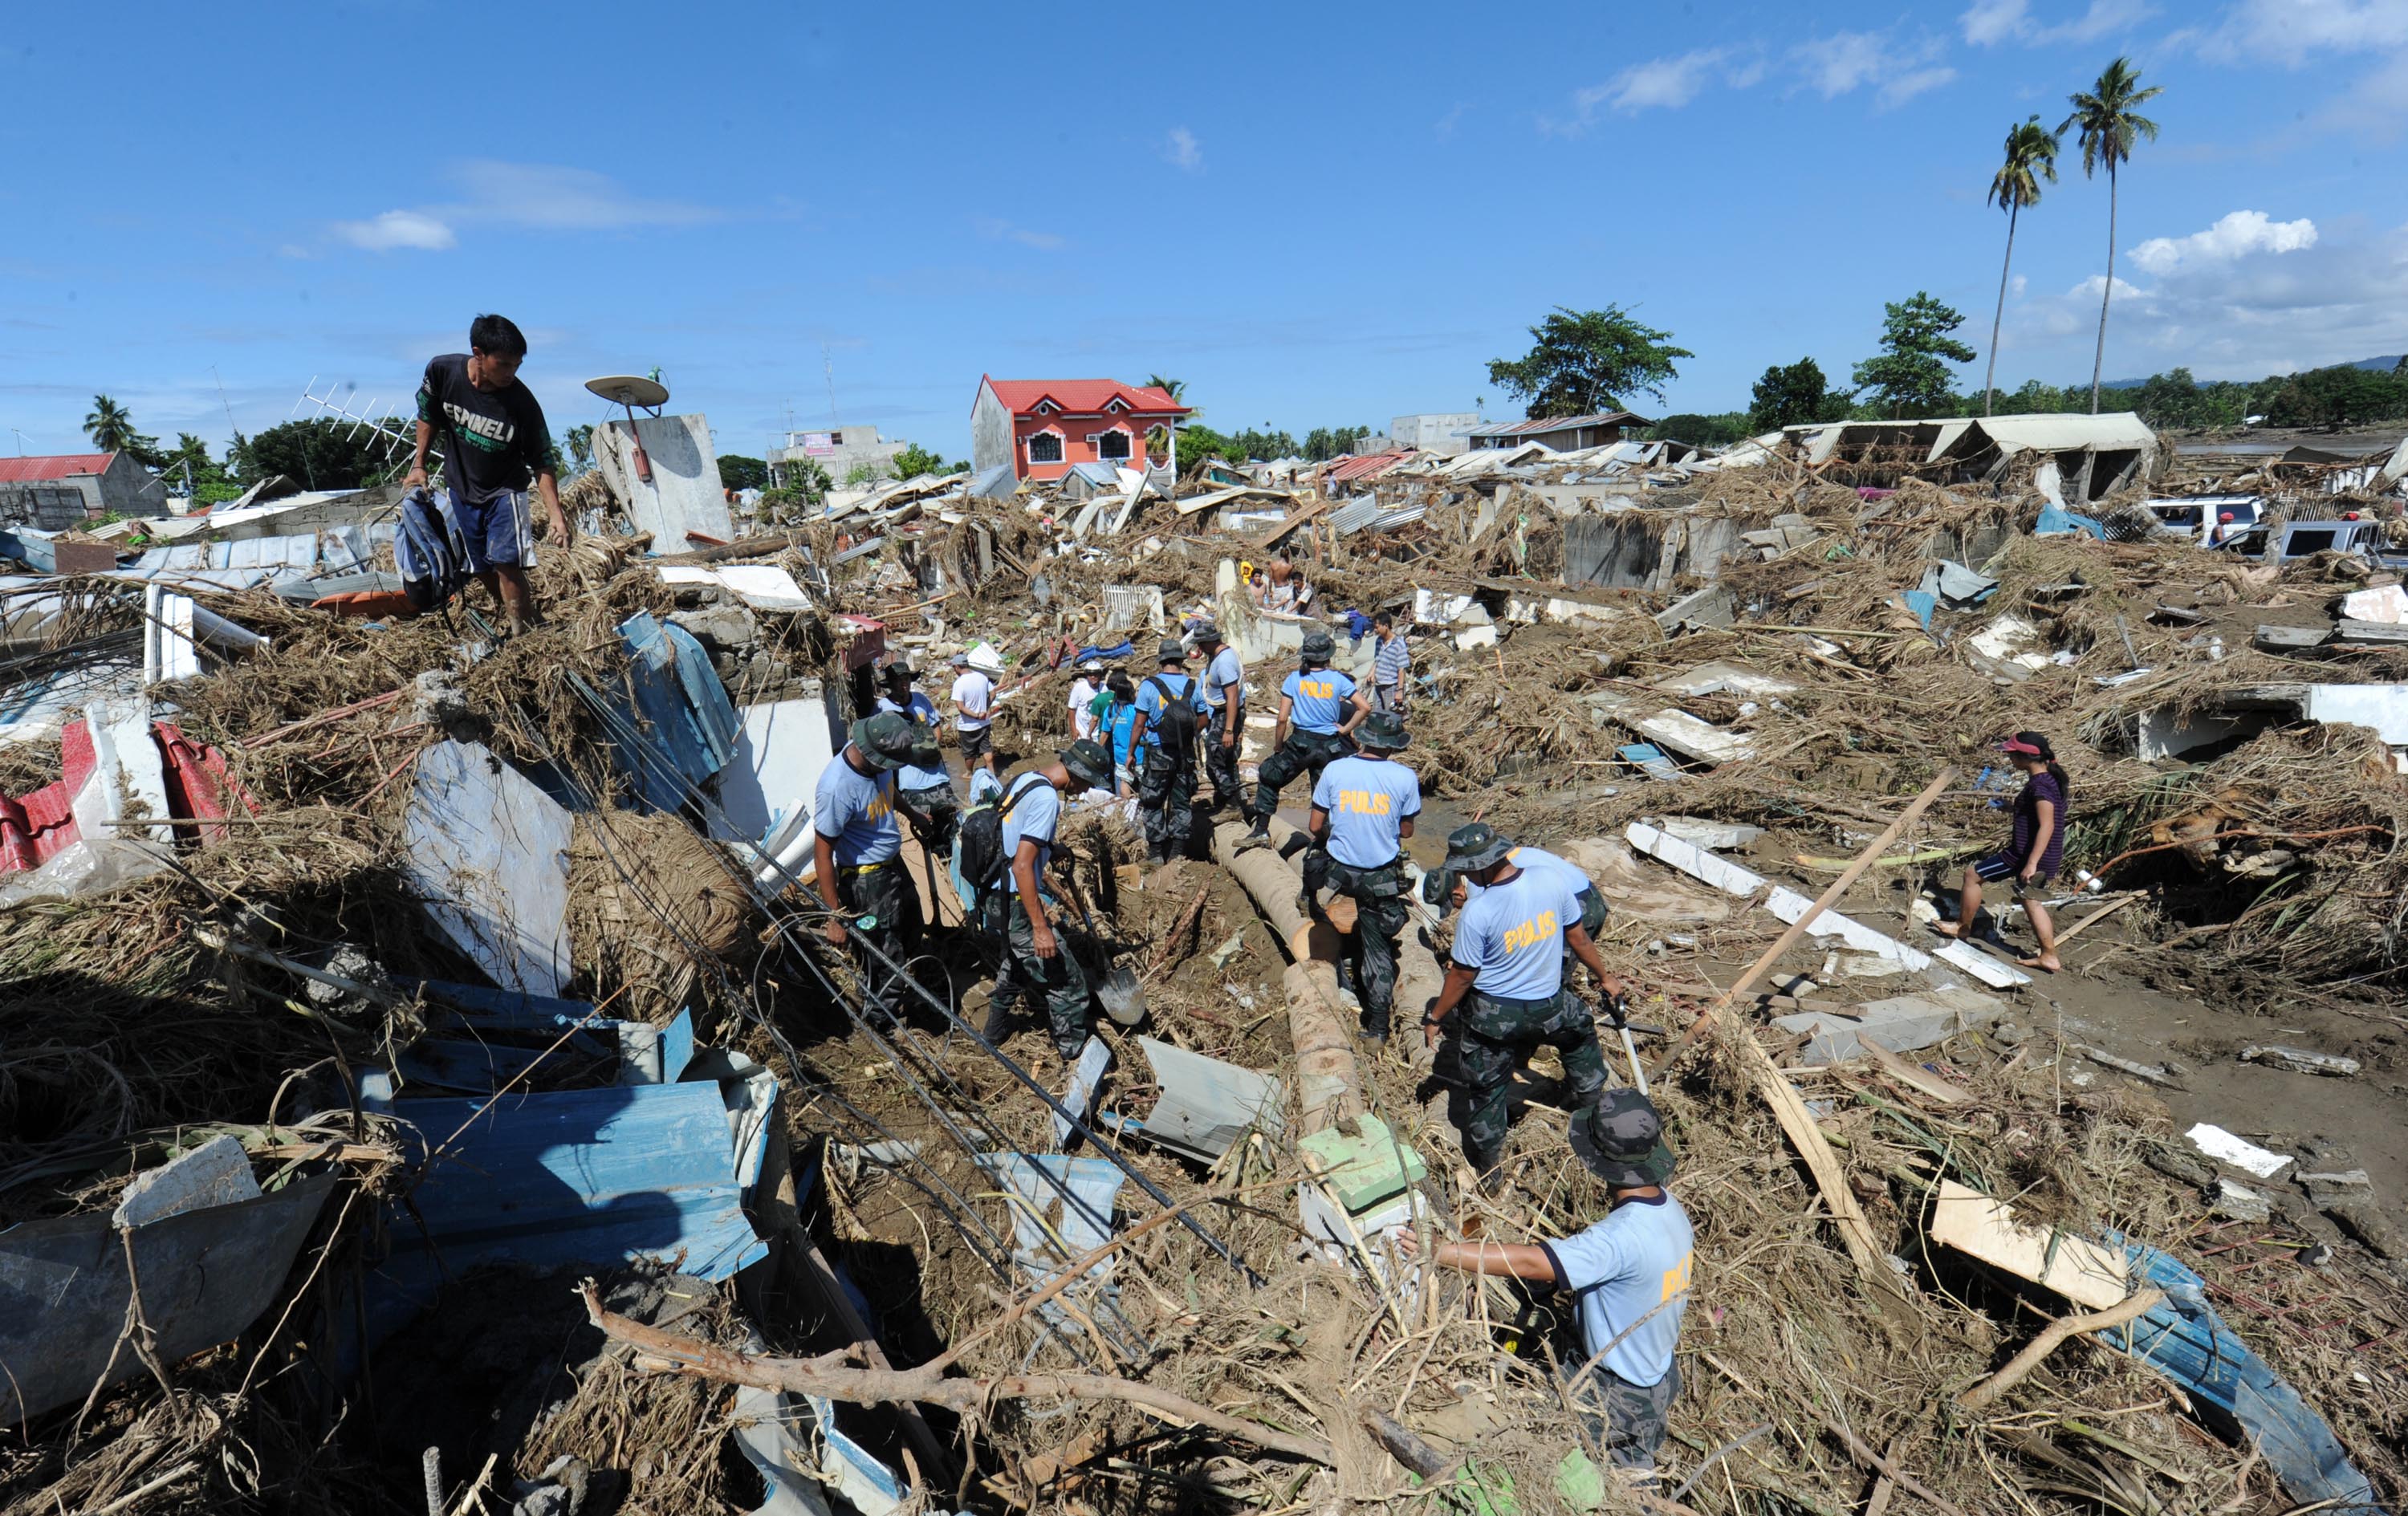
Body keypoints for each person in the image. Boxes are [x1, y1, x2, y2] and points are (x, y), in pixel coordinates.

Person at [1398, 1089, 1692, 1477]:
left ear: (1601, 1162)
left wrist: (1443, 1251)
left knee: (1517, 1439)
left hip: (1615, 1393)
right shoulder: (1669, 1208)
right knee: (1633, 1467)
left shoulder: (1620, 1237)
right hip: (1659, 1376)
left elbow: (1530, 1261)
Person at [1423, 823, 1621, 1185]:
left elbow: (1463, 977)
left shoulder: (1478, 913)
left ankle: (1489, 1169)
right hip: (1551, 1006)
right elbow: (1578, 939)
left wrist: (1435, 1015)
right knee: (1579, 1036)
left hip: (1495, 1017)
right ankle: (1590, 1108)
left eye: (1466, 869)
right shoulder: (1550, 880)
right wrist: (1605, 977)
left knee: (1487, 1090)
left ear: (1478, 867)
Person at [404, 313, 573, 634]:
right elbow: (427, 415)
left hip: (504, 491)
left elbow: (543, 462)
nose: (512, 373)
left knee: (506, 562)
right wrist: (419, 464)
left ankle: (524, 634)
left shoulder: (522, 404)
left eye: (517, 366)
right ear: (478, 354)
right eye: (505, 365)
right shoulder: (442, 372)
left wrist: (556, 516)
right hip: (462, 487)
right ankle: (524, 616)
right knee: (480, 566)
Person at [982, 740, 1117, 1061]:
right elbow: (1022, 864)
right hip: (1017, 901)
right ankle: (1074, 1055)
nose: (1084, 792)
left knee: (1018, 964)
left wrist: (1049, 847)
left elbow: (1013, 831)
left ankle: (992, 1034)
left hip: (997, 893)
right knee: (1068, 984)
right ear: (1076, 774)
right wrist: (1040, 926)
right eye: (1086, 783)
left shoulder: (1028, 779)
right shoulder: (1047, 799)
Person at [1306, 711, 1419, 1044]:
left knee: (1317, 912)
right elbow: (1408, 832)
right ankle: (1378, 1030)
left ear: (1362, 738)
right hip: (1379, 876)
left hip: (1337, 874)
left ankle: (1338, 978)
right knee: (1379, 951)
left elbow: (1314, 827)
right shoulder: (1405, 778)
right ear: (1394, 746)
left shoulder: (1335, 769)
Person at [811, 712, 925, 1007]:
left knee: (913, 929)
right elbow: (822, 855)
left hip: (893, 866)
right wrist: (834, 917)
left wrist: (913, 815)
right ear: (870, 754)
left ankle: (906, 994)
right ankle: (880, 1020)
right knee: (885, 957)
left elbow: (888, 791)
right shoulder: (837, 788)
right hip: (867, 882)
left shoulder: (877, 762)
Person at [1934, 731, 2069, 972]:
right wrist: (2012, 807)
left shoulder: (2040, 786)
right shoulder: (2049, 779)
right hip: (2044, 855)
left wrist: (2031, 863)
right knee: (2032, 901)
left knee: (1973, 875)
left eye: (2011, 754)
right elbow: (2039, 817)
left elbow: (2047, 824)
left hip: (2025, 855)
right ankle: (2049, 956)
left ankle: (1961, 927)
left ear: (2025, 756)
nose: (2008, 758)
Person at [1236, 628, 1367, 851]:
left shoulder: (1295, 679)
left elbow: (1281, 719)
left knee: (1269, 774)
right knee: (1325, 796)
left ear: (1305, 656)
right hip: (1329, 747)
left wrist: (1278, 746)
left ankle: (1261, 831)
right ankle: (1327, 846)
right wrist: (1345, 730)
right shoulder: (1337, 680)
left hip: (1301, 744)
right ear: (1328, 656)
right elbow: (1364, 707)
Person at [1130, 640, 1208, 864]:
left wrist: (1130, 753)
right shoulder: (1191, 687)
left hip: (1158, 752)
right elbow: (1203, 718)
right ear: (1181, 661)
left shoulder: (1149, 686)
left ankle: (1156, 853)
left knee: (1153, 800)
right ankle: (1178, 852)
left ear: (1162, 661)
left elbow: (1138, 724)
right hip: (1185, 754)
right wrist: (1186, 736)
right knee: (1182, 802)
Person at [878, 662, 958, 855]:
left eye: (906, 679)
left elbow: (936, 729)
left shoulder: (921, 700)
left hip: (939, 779)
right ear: (891, 684)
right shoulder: (882, 708)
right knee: (923, 833)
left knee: (950, 829)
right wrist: (909, 753)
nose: (903, 684)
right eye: (898, 680)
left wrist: (927, 749)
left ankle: (950, 867)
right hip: (911, 785)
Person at [1194, 621, 1247, 814]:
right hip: (1221, 713)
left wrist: (1229, 730)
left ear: (1209, 641)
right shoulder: (1217, 657)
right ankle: (1228, 799)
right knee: (1226, 760)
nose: (1199, 648)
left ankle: (1231, 802)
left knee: (1214, 761)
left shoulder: (1224, 662)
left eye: (1201, 643)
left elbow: (1232, 696)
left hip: (1226, 715)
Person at [950, 651, 999, 777]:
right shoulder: (981, 677)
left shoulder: (959, 684)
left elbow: (961, 707)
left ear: (957, 667)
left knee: (969, 752)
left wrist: (976, 715)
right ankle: (991, 772)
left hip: (968, 726)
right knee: (986, 748)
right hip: (984, 723)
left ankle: (969, 773)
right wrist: (985, 708)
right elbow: (993, 693)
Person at [1100, 671, 1142, 795]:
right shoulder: (1135, 711)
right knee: (1143, 781)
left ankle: (1126, 808)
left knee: (1124, 781)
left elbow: (1104, 734)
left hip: (1120, 755)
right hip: (1138, 754)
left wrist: (1098, 750)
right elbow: (1144, 730)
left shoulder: (1110, 710)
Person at [1370, 611, 1412, 714]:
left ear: (1386, 626)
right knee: (1376, 715)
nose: (1376, 630)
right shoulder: (1379, 641)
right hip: (1379, 684)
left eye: (1377, 627)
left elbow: (1401, 669)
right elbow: (1377, 659)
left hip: (1391, 686)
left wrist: (1400, 690)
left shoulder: (1398, 644)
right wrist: (1372, 672)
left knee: (1390, 717)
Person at [1251, 551, 1312, 616]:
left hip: (1277, 590)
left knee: (1280, 608)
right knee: (1284, 607)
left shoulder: (1272, 566)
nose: (1258, 578)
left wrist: (1270, 595)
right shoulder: (1289, 566)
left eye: (1259, 576)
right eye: (1256, 577)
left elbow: (1270, 583)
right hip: (1285, 588)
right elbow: (1289, 577)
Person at [1068, 659, 1104, 743]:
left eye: (1095, 674)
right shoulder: (1079, 688)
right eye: (1090, 674)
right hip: (1082, 732)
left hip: (1097, 733)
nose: (1093, 677)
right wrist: (1073, 729)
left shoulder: (1104, 689)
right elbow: (1071, 709)